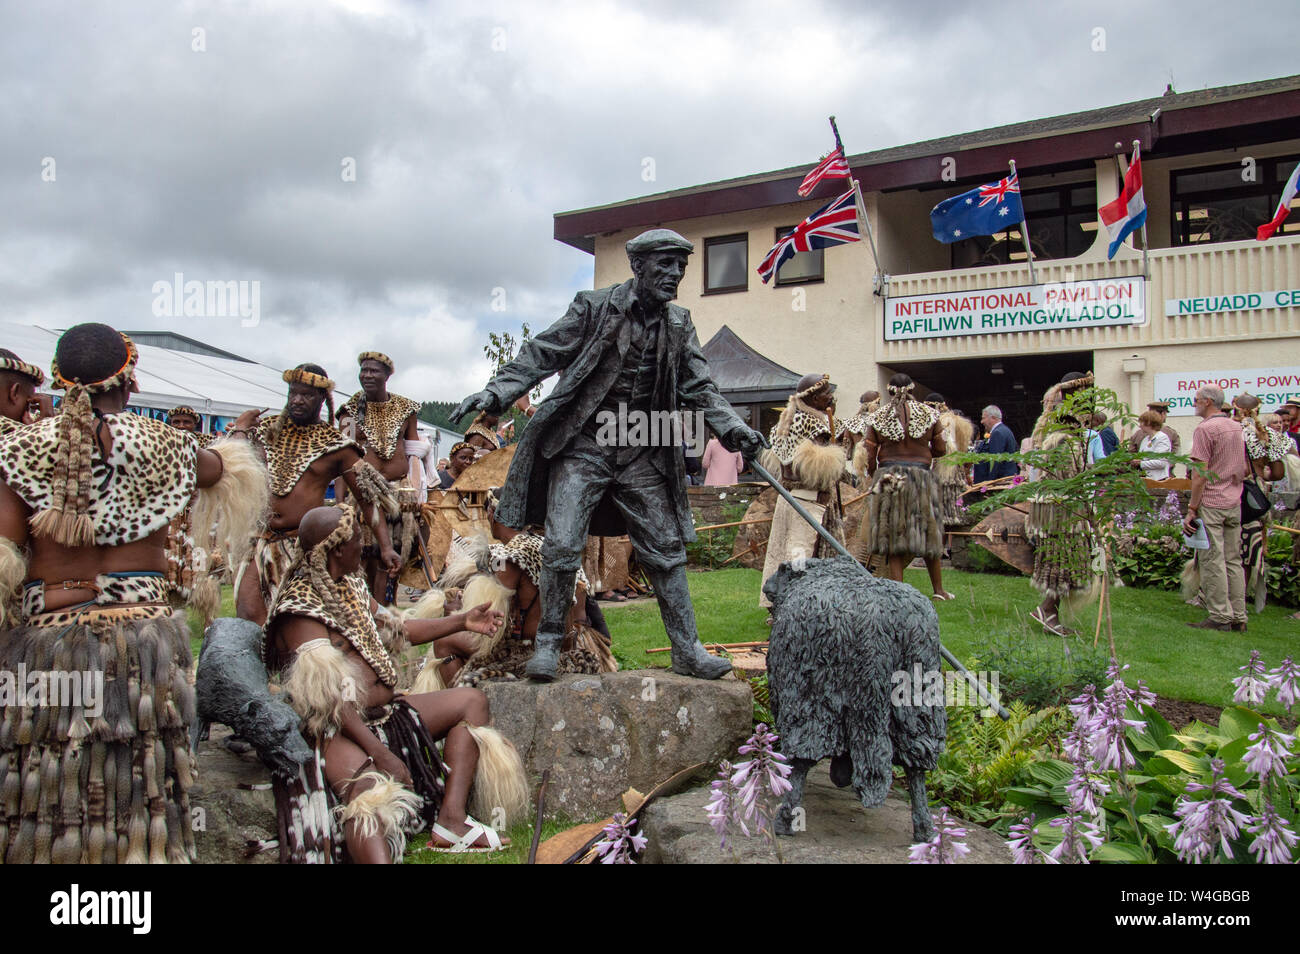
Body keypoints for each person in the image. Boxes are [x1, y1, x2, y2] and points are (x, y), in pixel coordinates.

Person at [0, 323, 266, 863]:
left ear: (58, 380)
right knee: (142, 784)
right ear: (131, 378)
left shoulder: (16, 449)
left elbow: (6, 555)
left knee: (51, 784)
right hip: (142, 641)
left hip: (49, 640)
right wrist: (235, 434)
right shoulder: (165, 442)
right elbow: (224, 468)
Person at [452, 228, 766, 681]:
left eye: (681, 266)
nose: (674, 274)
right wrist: (497, 390)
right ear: (637, 266)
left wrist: (733, 427)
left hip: (642, 448)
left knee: (665, 549)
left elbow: (699, 386)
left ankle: (687, 649)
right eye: (665, 265)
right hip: (583, 444)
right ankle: (549, 643)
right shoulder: (594, 306)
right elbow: (543, 352)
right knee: (561, 545)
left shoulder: (679, 324)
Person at [263, 504, 528, 859]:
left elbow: (399, 629)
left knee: (471, 702)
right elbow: (330, 702)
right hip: (334, 728)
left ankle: (452, 820)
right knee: (370, 796)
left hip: (385, 712)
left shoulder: (349, 585)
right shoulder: (299, 611)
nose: (366, 545)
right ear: (338, 549)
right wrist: (381, 754)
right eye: (359, 538)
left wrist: (463, 621)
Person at [230, 363, 400, 625]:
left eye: (307, 395)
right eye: (293, 393)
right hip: (258, 542)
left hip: (303, 548)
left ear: (323, 399)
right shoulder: (266, 432)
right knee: (249, 615)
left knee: (299, 620)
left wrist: (386, 547)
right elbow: (230, 468)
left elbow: (367, 499)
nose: (297, 400)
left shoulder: (337, 445)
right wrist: (241, 428)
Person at [760, 373, 861, 609]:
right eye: (826, 393)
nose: (830, 396)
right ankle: (796, 606)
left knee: (786, 552)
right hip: (809, 501)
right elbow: (826, 470)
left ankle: (780, 604)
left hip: (788, 499)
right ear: (813, 398)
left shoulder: (784, 423)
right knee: (800, 554)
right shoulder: (815, 423)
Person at [336, 352, 430, 601]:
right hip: (364, 493)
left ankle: (386, 607)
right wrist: (340, 502)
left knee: (394, 554)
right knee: (365, 554)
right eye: (363, 370)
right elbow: (342, 458)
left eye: (374, 371)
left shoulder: (406, 409)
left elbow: (414, 453)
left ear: (388, 375)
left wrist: (419, 491)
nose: (367, 375)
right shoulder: (350, 412)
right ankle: (367, 607)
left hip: (400, 491)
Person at [860, 373, 952, 600]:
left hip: (889, 475)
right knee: (929, 533)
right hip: (920, 475)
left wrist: (873, 474)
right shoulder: (929, 413)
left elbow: (870, 454)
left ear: (889, 391)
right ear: (911, 390)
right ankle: (938, 590)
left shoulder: (878, 416)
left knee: (892, 534)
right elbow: (941, 449)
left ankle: (898, 589)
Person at [1025, 372, 1097, 636]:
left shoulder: (1059, 427)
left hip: (1057, 505)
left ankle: (1049, 610)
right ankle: (1047, 610)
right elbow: (1064, 476)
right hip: (1060, 508)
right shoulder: (1062, 433)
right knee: (1063, 561)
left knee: (1066, 562)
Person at [1181, 385, 1248, 632]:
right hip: (1234, 499)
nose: (1194, 404)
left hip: (1212, 500)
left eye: (1196, 400)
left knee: (1213, 560)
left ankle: (1220, 615)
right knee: (1233, 560)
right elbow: (1245, 468)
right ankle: (1238, 616)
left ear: (1208, 402)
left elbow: (1199, 475)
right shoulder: (1236, 426)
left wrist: (1192, 508)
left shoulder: (1205, 429)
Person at [926, 391, 974, 525]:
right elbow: (965, 452)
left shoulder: (936, 421)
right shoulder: (958, 423)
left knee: (938, 506)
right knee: (951, 505)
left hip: (939, 469)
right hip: (954, 472)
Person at [0, 351, 53, 437]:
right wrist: (44, 431)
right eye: (28, 403)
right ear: (15, 393)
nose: (30, 413)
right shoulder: (18, 445)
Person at [972, 405, 1018, 484]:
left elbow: (995, 460)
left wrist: (990, 483)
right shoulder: (1004, 430)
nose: (981, 422)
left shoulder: (998, 433)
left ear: (993, 418)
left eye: (983, 418)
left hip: (1000, 480)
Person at [1135, 410, 1172, 480]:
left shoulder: (1162, 438)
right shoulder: (1145, 439)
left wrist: (1141, 463)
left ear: (1149, 423)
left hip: (1159, 479)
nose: (1140, 426)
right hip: (1146, 479)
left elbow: (1162, 463)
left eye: (1141, 422)